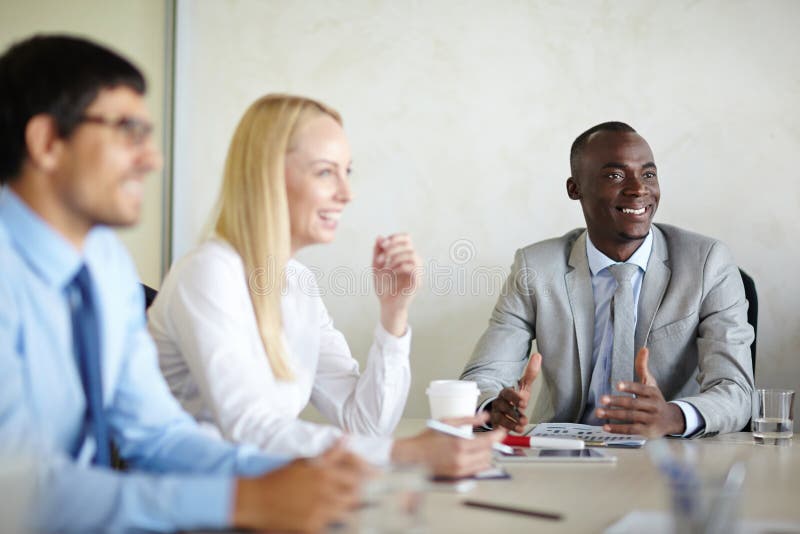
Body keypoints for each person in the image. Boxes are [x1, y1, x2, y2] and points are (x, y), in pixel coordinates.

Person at [0, 34, 368, 533]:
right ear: (46, 141)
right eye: (129, 131)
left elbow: (157, 434)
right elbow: (17, 494)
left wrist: (305, 476)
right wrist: (242, 501)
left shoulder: (104, 262)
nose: (153, 159)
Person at [147, 94, 504, 477]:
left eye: (347, 171)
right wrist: (405, 453)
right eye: (324, 172)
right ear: (266, 175)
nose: (346, 193)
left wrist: (394, 314)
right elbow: (248, 429)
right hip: (195, 505)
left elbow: (366, 423)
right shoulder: (208, 273)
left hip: (262, 498)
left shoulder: (298, 283)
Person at [461, 121, 754, 438]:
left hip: (668, 455)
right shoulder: (536, 267)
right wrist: (494, 408)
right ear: (575, 189)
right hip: (565, 457)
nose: (638, 188)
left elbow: (736, 391)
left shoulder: (707, 263)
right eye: (615, 175)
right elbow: (482, 377)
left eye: (648, 174)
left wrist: (672, 416)